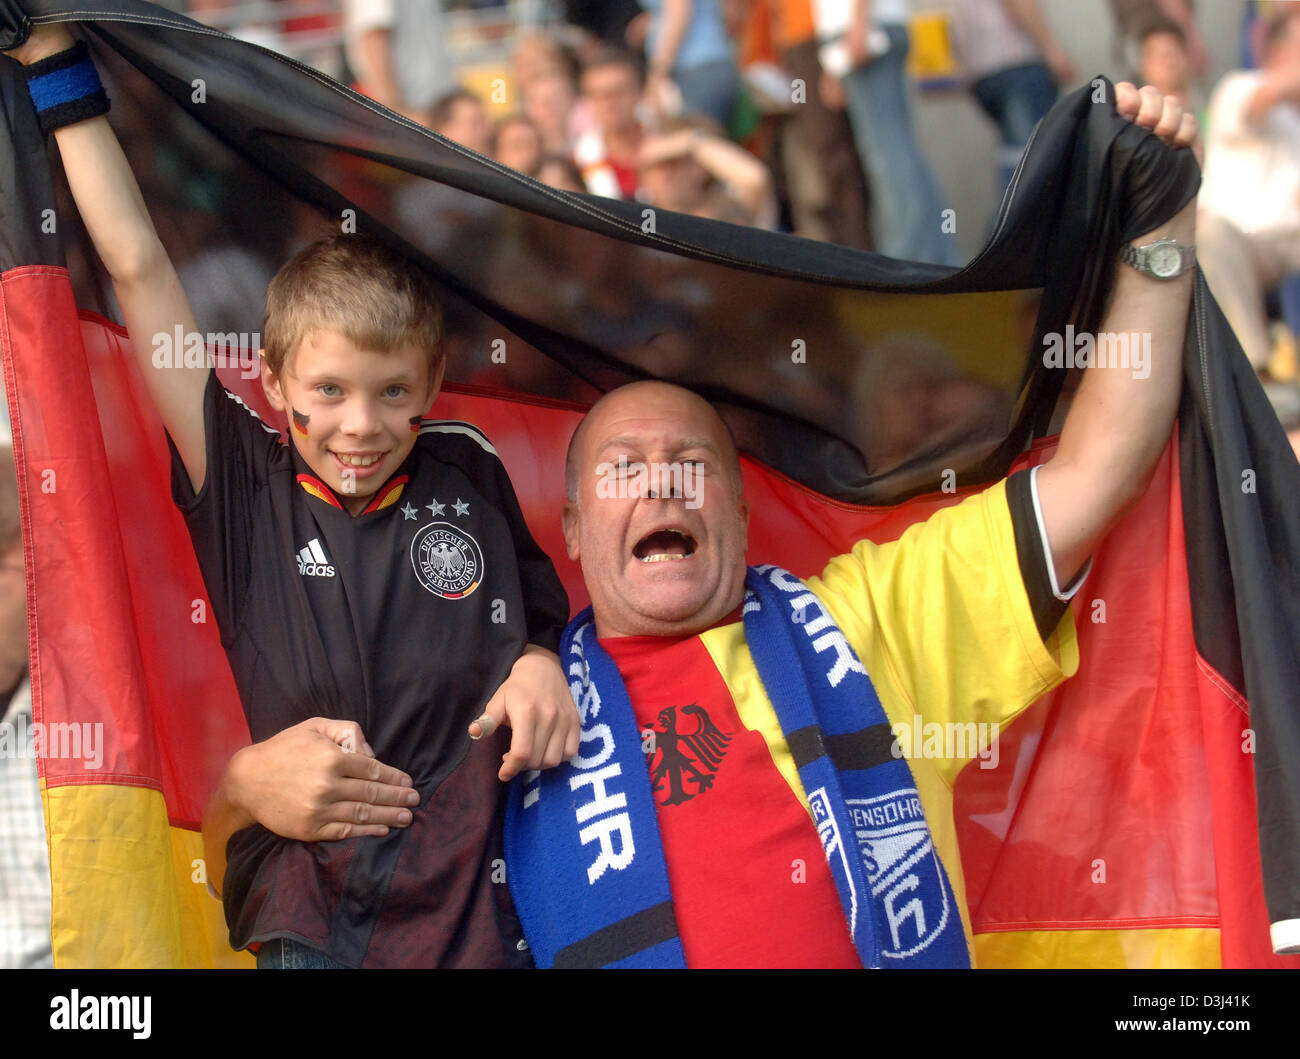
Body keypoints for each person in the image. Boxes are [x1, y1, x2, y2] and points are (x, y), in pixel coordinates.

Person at [212, 73, 1201, 964]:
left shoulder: (867, 627)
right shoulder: (508, 705)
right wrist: (245, 787)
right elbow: (281, 878)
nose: (663, 486)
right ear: (571, 531)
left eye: (690, 465)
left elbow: (1098, 469)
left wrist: (1159, 230)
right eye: (625, 468)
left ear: (734, 509)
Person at [4, 21, 580, 969]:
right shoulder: (240, 481)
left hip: (488, 909)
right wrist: (51, 67)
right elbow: (139, 265)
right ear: (271, 383)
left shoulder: (467, 468)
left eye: (394, 392)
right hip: (316, 918)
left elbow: (542, 620)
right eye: (329, 392)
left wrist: (539, 660)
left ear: (432, 383)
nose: (362, 424)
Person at [814, 0, 962, 266]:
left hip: (865, 31)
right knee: (900, 151)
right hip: (867, 29)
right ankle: (940, 259)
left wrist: (858, 26)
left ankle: (906, 261)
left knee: (887, 156)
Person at [1197, 6, 1300, 375]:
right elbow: (1260, 102)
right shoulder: (1239, 86)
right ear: (1278, 52)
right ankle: (1254, 372)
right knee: (1210, 233)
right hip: (1243, 238)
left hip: (1291, 240)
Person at [950, 0, 1077, 193]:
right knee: (1035, 163)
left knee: (1015, 159)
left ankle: (1014, 219)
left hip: (982, 76)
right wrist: (1052, 50)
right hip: (1017, 65)